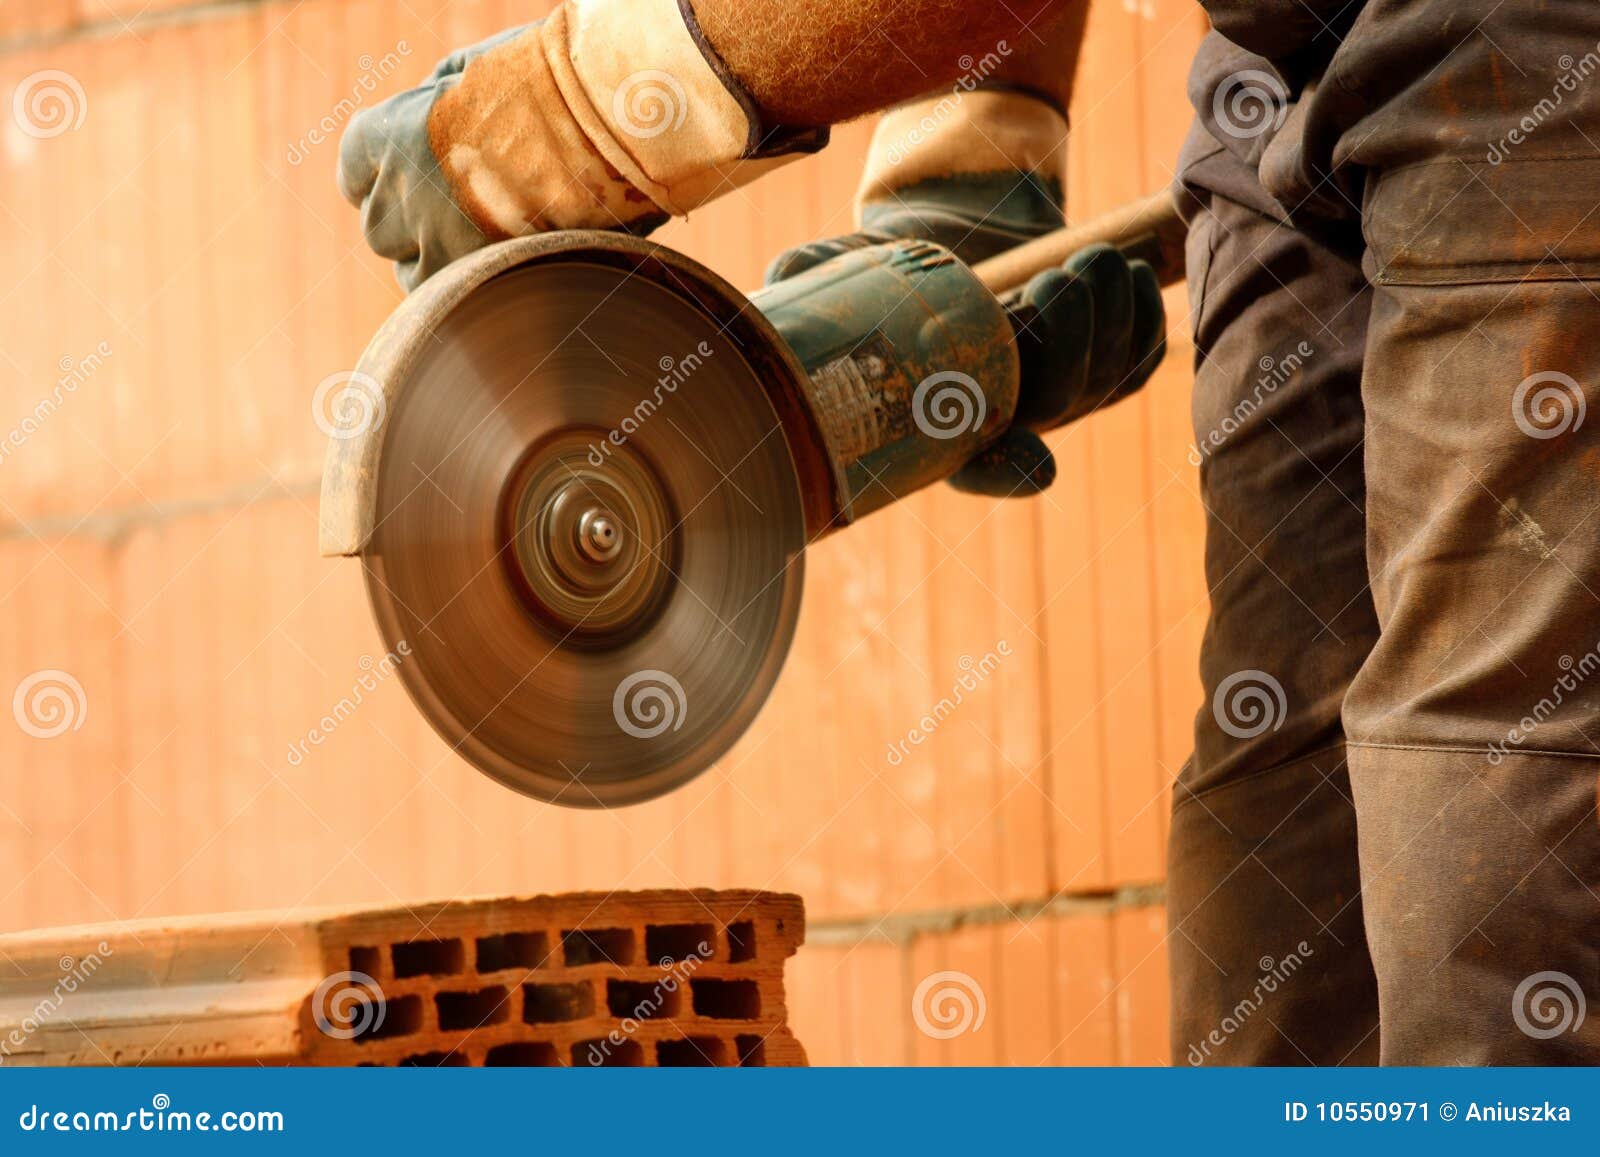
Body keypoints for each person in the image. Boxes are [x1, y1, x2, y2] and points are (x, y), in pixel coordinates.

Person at [340, 0, 1600, 1065]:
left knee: (1481, 751)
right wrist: (965, 175)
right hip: (1279, 58)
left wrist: (583, 108)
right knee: (1279, 779)